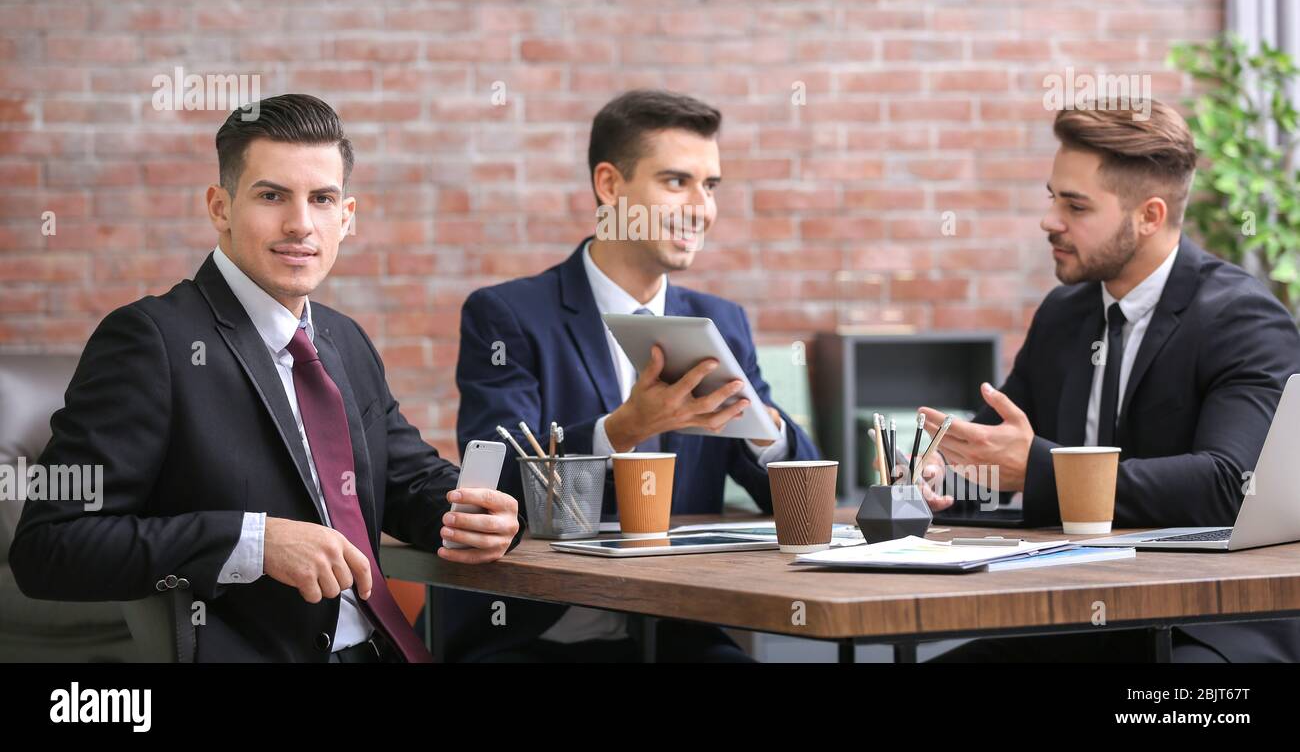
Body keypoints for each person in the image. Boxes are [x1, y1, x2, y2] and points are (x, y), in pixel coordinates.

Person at [10, 94, 520, 662]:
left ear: (345, 218)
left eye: (321, 199)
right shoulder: (150, 342)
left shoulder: (344, 342)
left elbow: (404, 481)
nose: (300, 224)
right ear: (220, 207)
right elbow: (49, 549)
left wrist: (470, 515)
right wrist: (253, 542)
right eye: (271, 195)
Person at [915, 99, 1300, 662]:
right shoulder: (1065, 313)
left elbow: (1229, 484)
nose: (1051, 221)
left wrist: (1040, 469)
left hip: (1210, 625)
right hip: (1079, 615)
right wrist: (942, 469)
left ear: (1149, 215)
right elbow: (1000, 447)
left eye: (1075, 206)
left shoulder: (1242, 318)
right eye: (1053, 198)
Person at [449, 89, 820, 662]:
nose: (701, 207)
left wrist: (763, 430)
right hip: (531, 635)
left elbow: (800, 506)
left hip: (677, 632)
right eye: (676, 182)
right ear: (610, 186)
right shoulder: (508, 315)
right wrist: (621, 429)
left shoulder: (721, 322)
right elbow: (495, 486)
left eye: (711, 185)